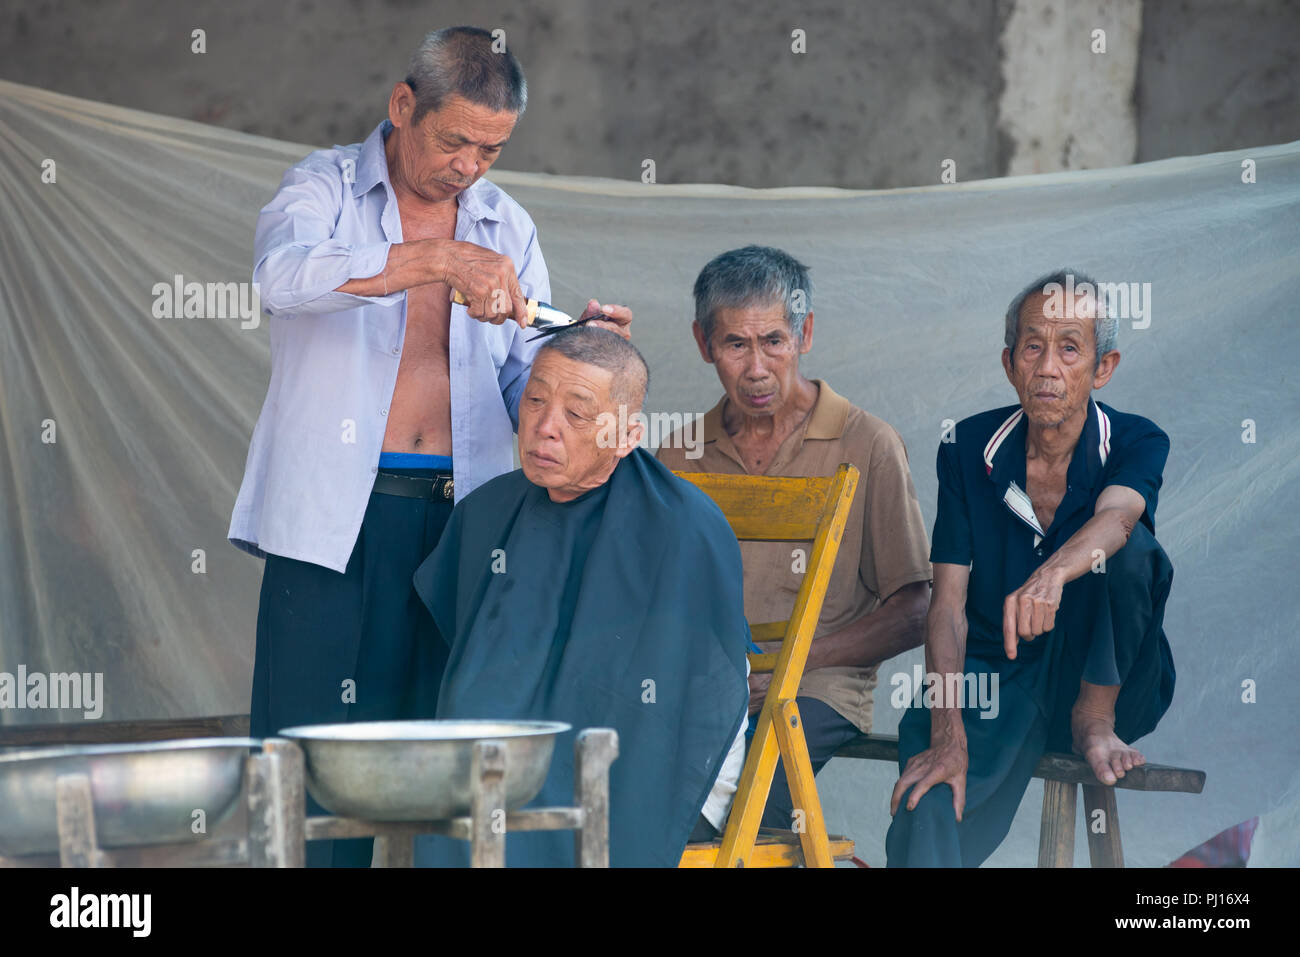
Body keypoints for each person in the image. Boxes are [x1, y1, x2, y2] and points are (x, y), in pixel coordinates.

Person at [227, 26, 630, 867]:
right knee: (314, 771)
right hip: (333, 525)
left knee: (456, 766)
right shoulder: (323, 188)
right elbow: (281, 278)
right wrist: (437, 259)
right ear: (403, 106)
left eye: (491, 149)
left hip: (463, 526)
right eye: (456, 141)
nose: (470, 167)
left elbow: (526, 379)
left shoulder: (505, 224)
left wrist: (580, 348)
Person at [412, 327, 749, 866]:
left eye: (577, 413)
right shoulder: (490, 510)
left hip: (642, 764)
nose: (545, 429)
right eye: (536, 401)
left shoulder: (682, 528)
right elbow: (465, 667)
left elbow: (675, 705)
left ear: (626, 434)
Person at [886, 269, 1176, 867]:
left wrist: (1052, 575)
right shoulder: (967, 448)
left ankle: (1092, 720)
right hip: (1003, 668)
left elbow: (1120, 520)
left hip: (1110, 673)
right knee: (932, 786)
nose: (1048, 366)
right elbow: (948, 605)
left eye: (1070, 347)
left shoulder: (1136, 439)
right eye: (1033, 346)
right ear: (1009, 362)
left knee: (1135, 552)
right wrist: (948, 732)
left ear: (1103, 368)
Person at [657, 246, 932, 835]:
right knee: (637, 794)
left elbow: (915, 609)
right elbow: (658, 602)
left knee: (754, 810)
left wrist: (786, 667)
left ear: (805, 334)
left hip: (817, 687)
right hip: (706, 689)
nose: (757, 368)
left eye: (774, 341)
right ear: (705, 344)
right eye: (735, 345)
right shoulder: (678, 455)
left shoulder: (867, 443)